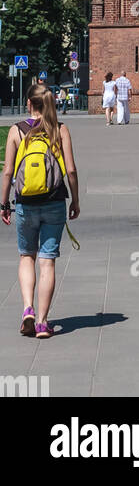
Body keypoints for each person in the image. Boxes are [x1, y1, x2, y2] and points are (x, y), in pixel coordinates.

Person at [1, 83, 80, 339]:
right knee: (47, 261)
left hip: (25, 203)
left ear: (28, 104)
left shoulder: (17, 130)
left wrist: (4, 204)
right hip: (55, 201)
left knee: (27, 256)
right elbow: (70, 170)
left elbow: (8, 172)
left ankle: (28, 310)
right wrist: (75, 200)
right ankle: (43, 323)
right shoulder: (60, 129)